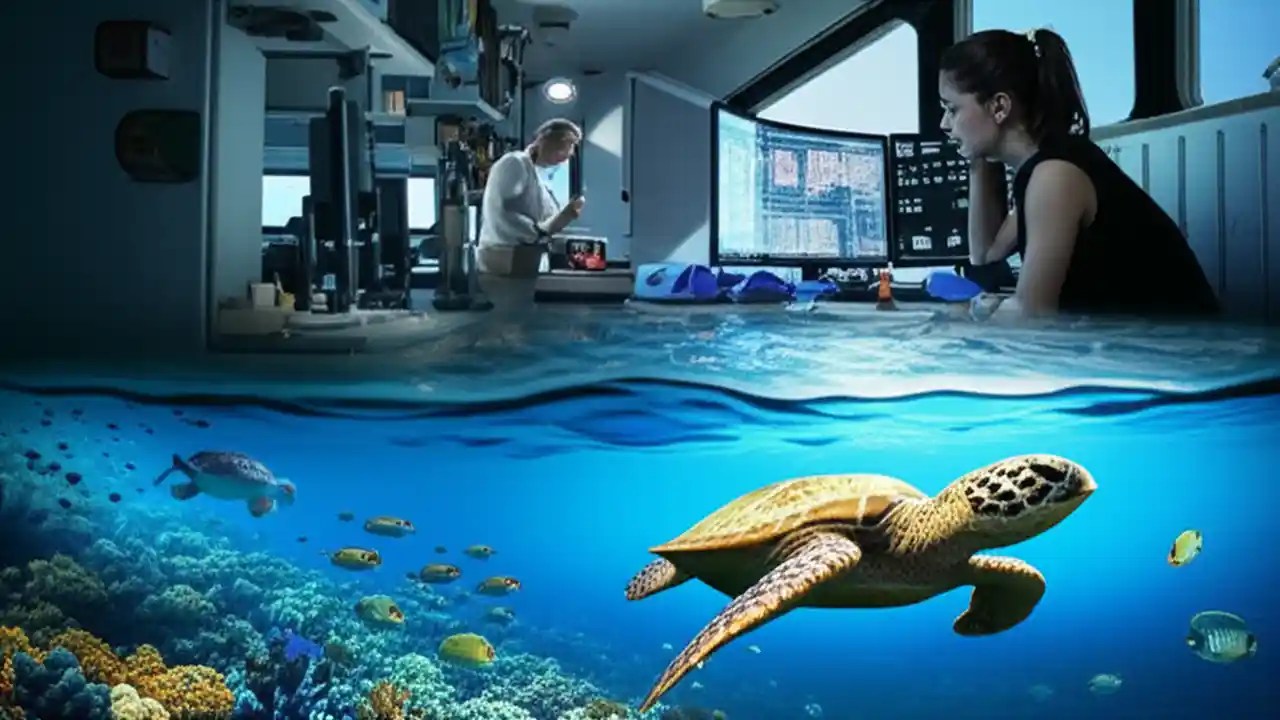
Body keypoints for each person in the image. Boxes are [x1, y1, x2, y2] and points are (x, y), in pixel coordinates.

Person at [938, 28, 1220, 320]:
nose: (944, 124)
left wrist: (960, 322)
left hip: (1180, 344)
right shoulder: (1047, 166)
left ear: (999, 107)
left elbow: (1032, 315)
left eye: (952, 109)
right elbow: (986, 254)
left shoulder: (1055, 177)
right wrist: (977, 159)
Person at [477, 118, 586, 274]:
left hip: (522, 260)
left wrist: (563, 218)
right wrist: (538, 234)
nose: (568, 154)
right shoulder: (515, 163)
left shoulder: (537, 176)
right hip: (503, 259)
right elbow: (503, 210)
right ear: (543, 140)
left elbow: (540, 224)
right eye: (565, 144)